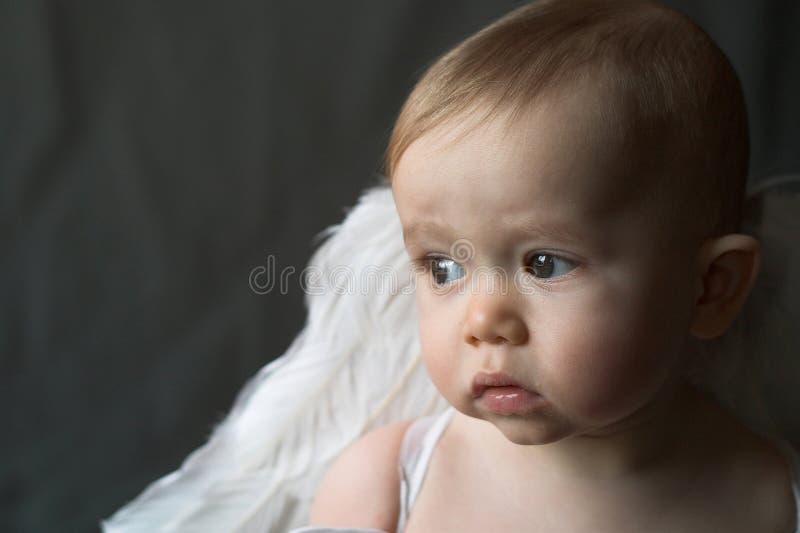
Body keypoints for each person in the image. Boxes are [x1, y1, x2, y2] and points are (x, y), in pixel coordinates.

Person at [298, 0, 799, 531]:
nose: (483, 321)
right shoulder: (386, 487)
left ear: (709, 289)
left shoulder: (771, 504)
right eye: (443, 268)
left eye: (544, 263)